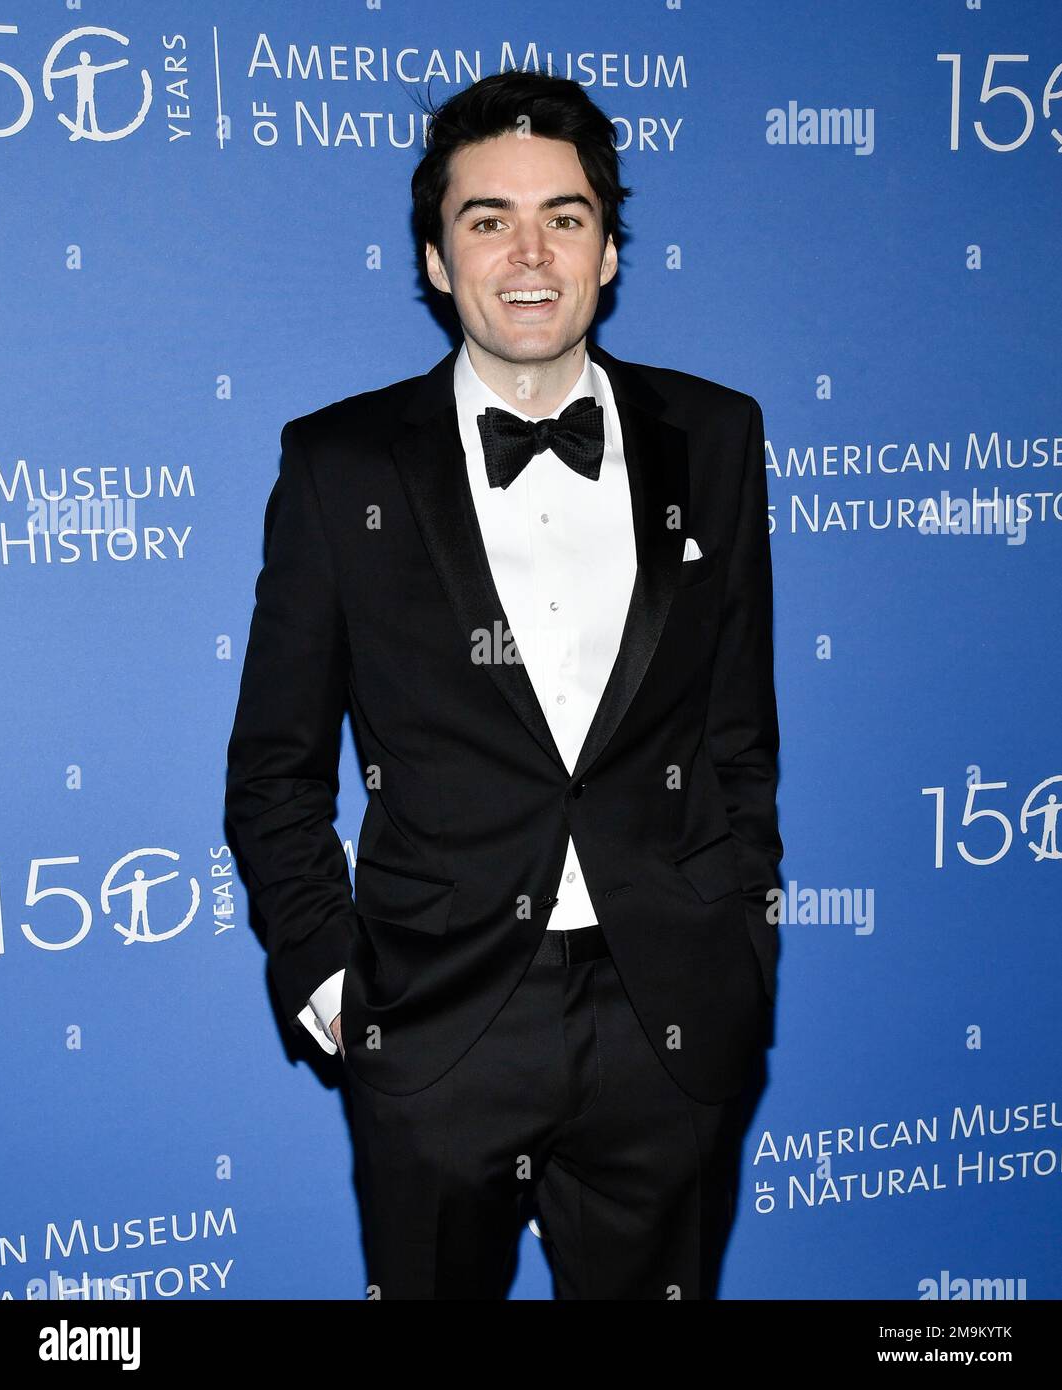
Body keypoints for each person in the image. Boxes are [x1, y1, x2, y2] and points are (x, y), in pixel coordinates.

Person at [225, 69, 783, 1300]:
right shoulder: (336, 465)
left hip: (667, 1019)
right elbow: (273, 765)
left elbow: (738, 732)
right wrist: (331, 981)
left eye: (564, 217)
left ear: (607, 250)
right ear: (436, 259)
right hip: (436, 1018)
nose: (527, 252)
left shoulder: (717, 438)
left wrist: (741, 947)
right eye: (487, 219)